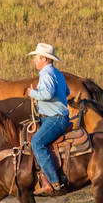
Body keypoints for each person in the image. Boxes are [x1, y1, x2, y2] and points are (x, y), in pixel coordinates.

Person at [26, 43, 70, 193]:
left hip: (54, 118)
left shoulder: (46, 73)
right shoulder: (57, 73)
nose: (34, 60)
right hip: (56, 116)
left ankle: (54, 181)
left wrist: (33, 93)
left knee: (36, 142)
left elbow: (48, 95)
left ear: (43, 58)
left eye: (35, 58)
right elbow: (67, 91)